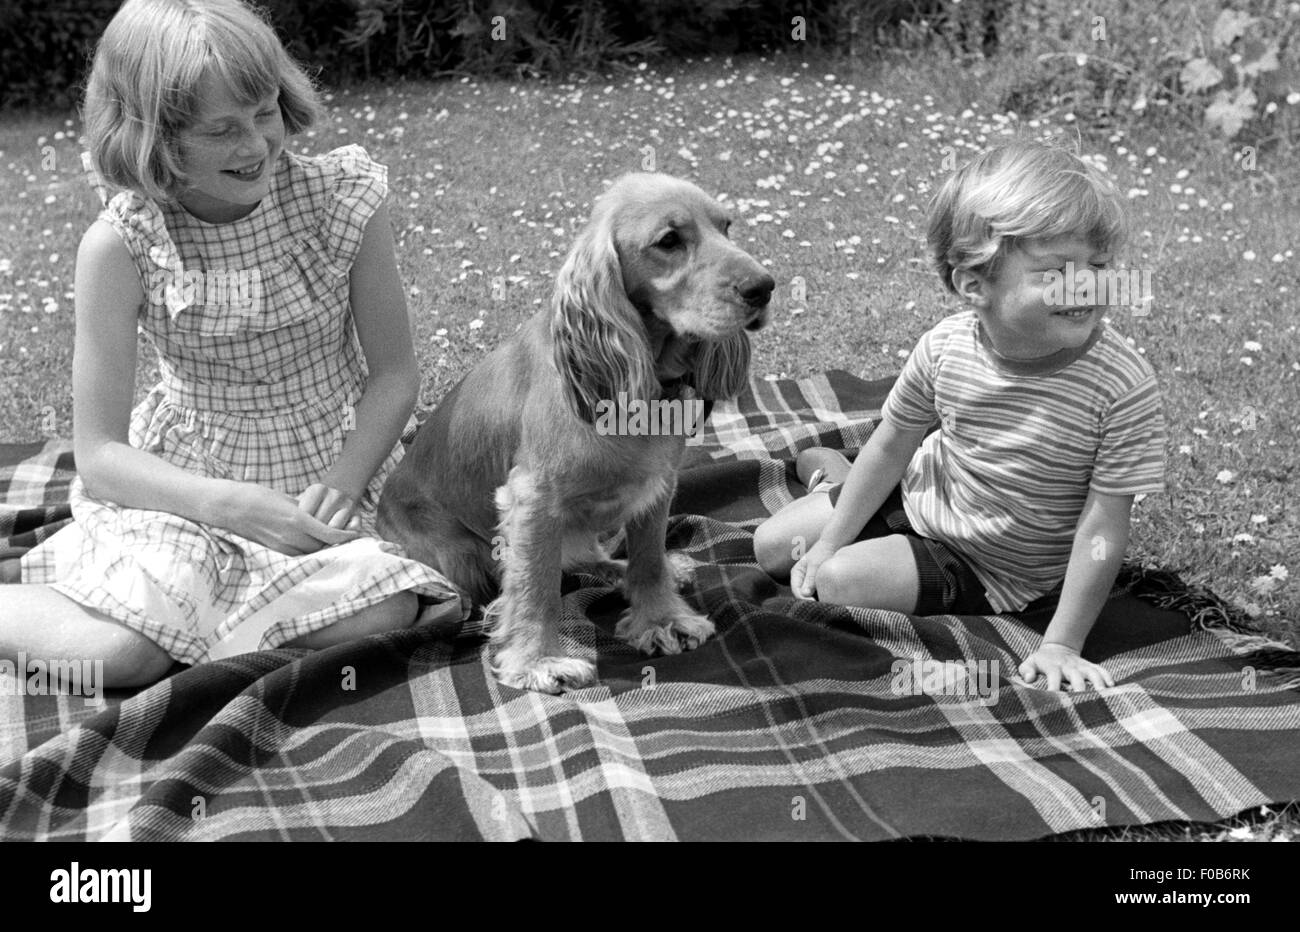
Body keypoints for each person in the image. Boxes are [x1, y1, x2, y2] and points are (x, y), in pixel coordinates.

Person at [5, 0, 462, 688]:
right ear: (153, 138)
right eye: (221, 130)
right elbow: (99, 456)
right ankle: (157, 627)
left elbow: (395, 376)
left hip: (326, 467)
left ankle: (192, 636)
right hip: (188, 486)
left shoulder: (340, 199)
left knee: (391, 606)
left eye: (264, 112)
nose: (255, 146)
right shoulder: (120, 246)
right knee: (122, 658)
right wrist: (231, 506)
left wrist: (342, 481)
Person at [754, 140, 1167, 692]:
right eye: (1056, 271)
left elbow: (1105, 523)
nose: (1087, 285)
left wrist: (1062, 642)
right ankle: (838, 480)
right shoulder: (947, 347)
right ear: (973, 283)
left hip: (987, 565)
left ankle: (834, 481)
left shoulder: (1121, 385)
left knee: (836, 583)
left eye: (1097, 265)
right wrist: (830, 537)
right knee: (772, 548)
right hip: (919, 494)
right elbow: (893, 442)